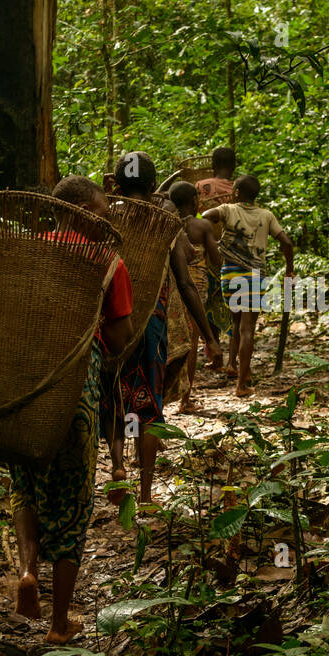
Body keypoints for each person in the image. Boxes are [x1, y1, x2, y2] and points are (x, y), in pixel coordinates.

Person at [9, 174, 133, 643]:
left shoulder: (25, 253)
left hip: (26, 385)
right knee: (73, 502)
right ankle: (59, 624)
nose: (106, 223)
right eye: (101, 214)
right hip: (77, 389)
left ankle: (26, 572)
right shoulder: (107, 260)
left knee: (26, 482)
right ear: (82, 213)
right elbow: (119, 338)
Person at [104, 151, 221, 511]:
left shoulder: (105, 216)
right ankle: (145, 494)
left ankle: (119, 467)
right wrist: (211, 338)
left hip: (110, 321)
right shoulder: (164, 222)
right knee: (148, 405)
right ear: (155, 186)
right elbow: (185, 281)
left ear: (116, 183)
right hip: (151, 324)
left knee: (115, 396)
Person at [202, 174, 294, 398]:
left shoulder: (228, 209)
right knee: (247, 329)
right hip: (253, 276)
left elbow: (205, 216)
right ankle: (242, 385)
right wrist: (289, 269)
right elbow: (287, 242)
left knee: (236, 322)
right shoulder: (266, 215)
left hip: (230, 275)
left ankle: (233, 365)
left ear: (236, 192)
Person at [168, 181, 222, 413]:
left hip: (171, 288)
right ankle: (185, 399)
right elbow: (216, 259)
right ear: (194, 201)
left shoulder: (167, 225)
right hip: (195, 289)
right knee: (190, 343)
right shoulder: (202, 226)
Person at [194, 147, 237, 368]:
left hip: (206, 255)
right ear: (234, 165)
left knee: (208, 301)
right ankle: (234, 357)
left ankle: (214, 350)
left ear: (213, 165)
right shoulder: (238, 189)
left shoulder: (201, 187)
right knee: (234, 303)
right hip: (233, 254)